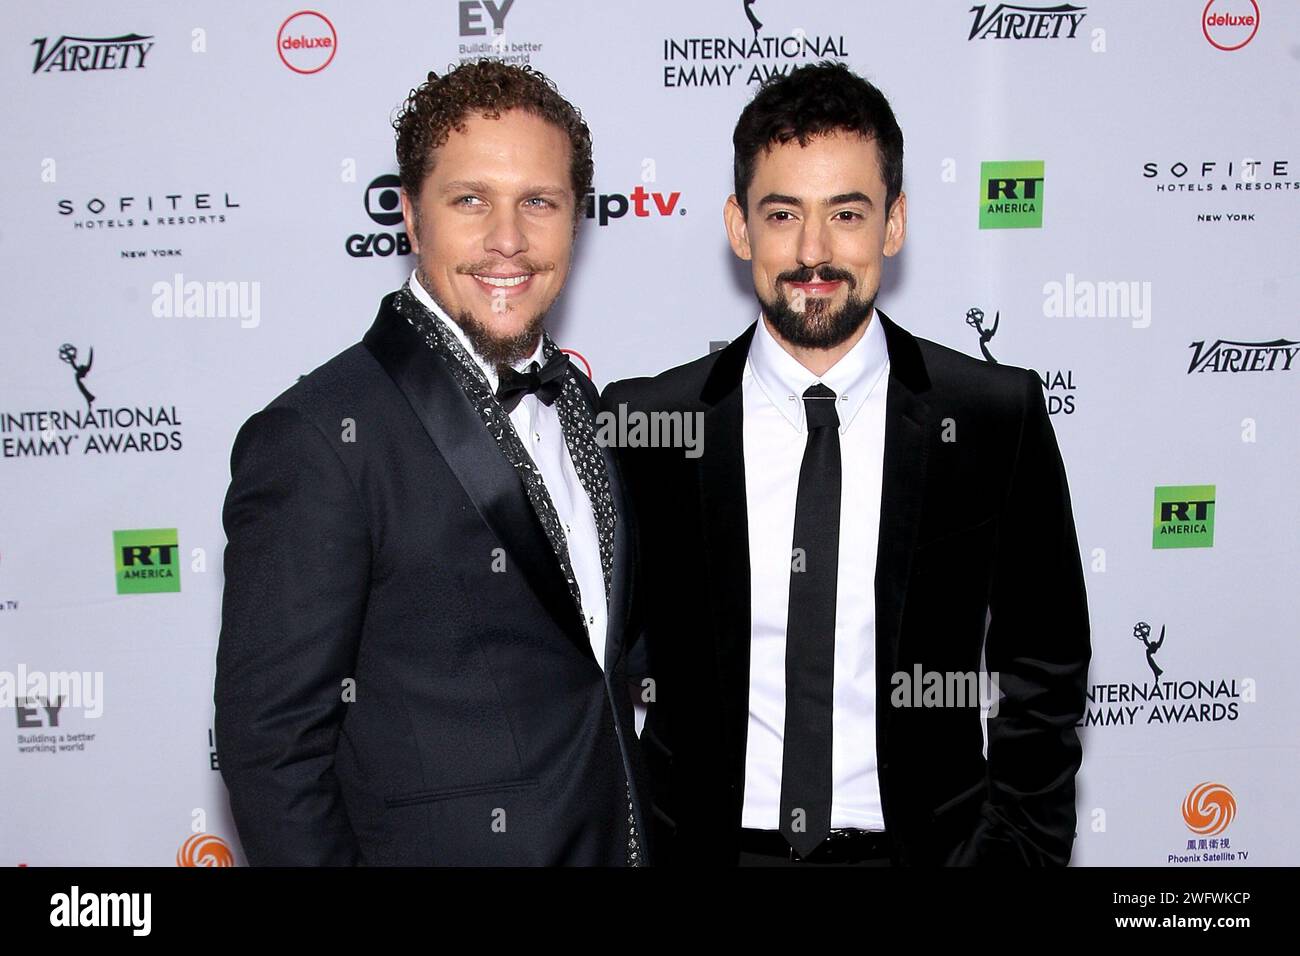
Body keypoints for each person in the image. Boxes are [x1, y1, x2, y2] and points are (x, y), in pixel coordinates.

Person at [605, 61, 1090, 866]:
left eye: (848, 213)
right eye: (783, 212)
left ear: (894, 225)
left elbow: (1044, 661)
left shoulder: (990, 416)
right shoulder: (647, 423)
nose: (814, 251)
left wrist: (1017, 854)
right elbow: (602, 665)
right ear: (738, 226)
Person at [215, 60, 648, 866]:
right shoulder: (320, 439)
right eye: (470, 200)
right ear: (412, 217)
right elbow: (272, 753)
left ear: (576, 221)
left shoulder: (584, 405)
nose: (508, 239)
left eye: (539, 203)